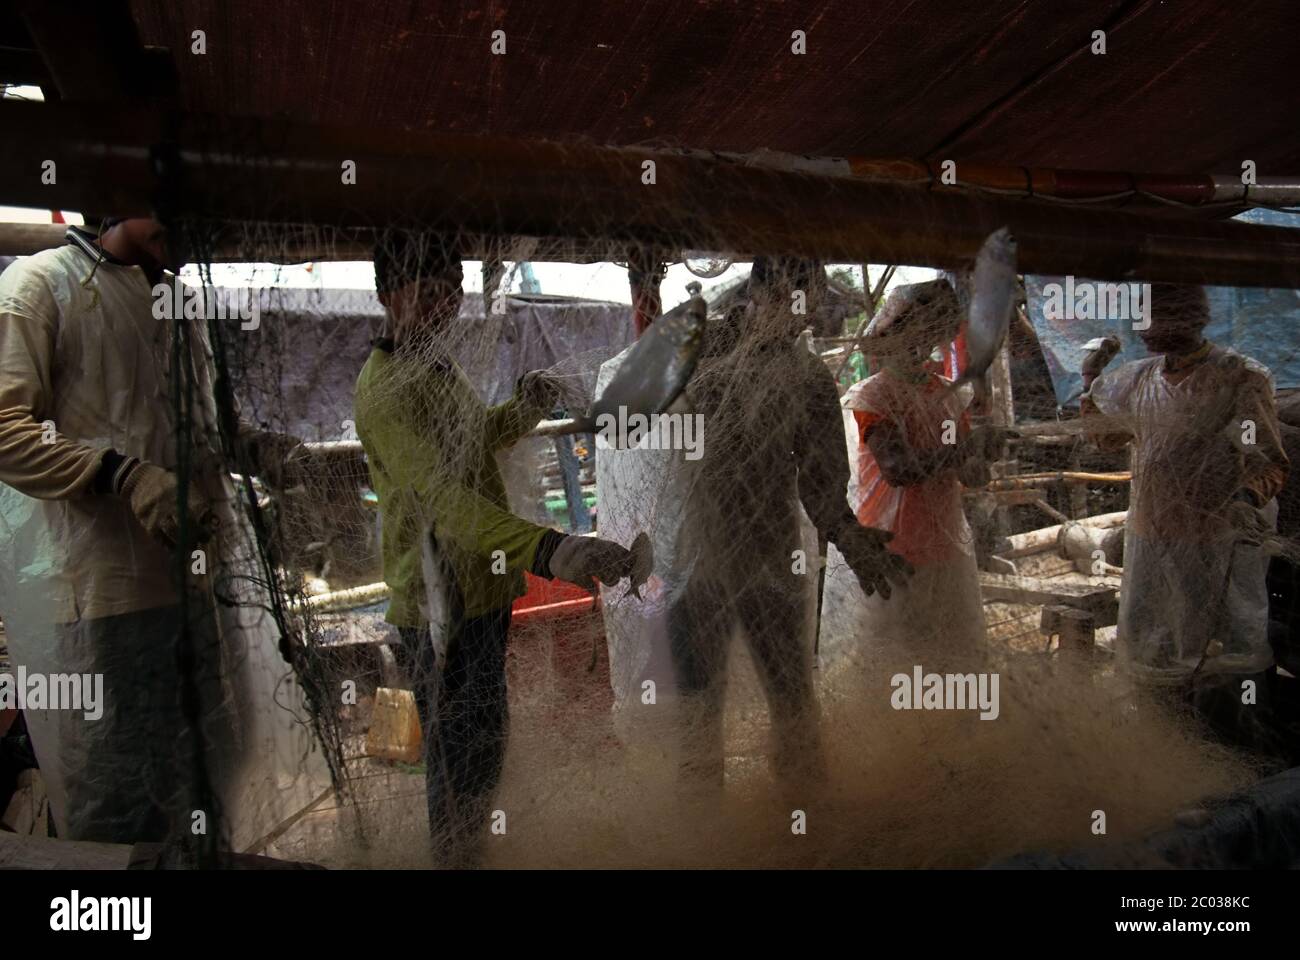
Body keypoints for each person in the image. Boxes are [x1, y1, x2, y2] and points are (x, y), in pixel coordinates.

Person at [0, 217, 310, 847]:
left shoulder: (180, 301)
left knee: (210, 777)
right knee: (119, 806)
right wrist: (121, 475)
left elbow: (201, 426)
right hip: (104, 604)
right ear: (111, 191)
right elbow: (6, 429)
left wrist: (267, 453)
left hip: (197, 589)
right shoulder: (39, 286)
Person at [354, 230, 637, 865]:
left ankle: (471, 856)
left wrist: (525, 405)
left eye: (450, 292)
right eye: (428, 293)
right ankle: (454, 860)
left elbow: (474, 440)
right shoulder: (387, 389)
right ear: (386, 296)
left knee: (484, 747)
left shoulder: (435, 364)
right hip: (439, 606)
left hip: (482, 588)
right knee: (456, 762)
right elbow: (445, 505)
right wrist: (552, 550)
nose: (444, 306)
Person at [665, 256, 911, 790]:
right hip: (695, 563)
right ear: (756, 294)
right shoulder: (695, 349)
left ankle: (807, 826)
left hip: (771, 558)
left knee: (793, 702)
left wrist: (847, 535)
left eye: (812, 299)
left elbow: (821, 480)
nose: (804, 313)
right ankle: (703, 837)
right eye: (792, 298)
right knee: (699, 719)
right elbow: (634, 411)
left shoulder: (808, 378)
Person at [1082, 283, 1289, 749]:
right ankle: (1167, 746)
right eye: (1145, 318)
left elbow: (1267, 461)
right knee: (1154, 646)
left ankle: (1236, 749)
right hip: (1152, 540)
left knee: (1226, 649)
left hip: (1216, 543)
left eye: (1158, 318)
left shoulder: (1237, 378)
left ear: (1194, 320)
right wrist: (1090, 379)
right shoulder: (1138, 380)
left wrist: (1246, 500)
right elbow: (1104, 439)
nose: (1147, 330)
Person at [840, 279, 1006, 668]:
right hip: (893, 551)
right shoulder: (873, 396)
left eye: (934, 327)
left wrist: (986, 452)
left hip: (946, 548)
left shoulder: (951, 394)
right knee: (898, 663)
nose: (925, 337)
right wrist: (965, 449)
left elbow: (972, 476)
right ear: (892, 333)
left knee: (948, 659)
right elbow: (897, 470)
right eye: (915, 328)